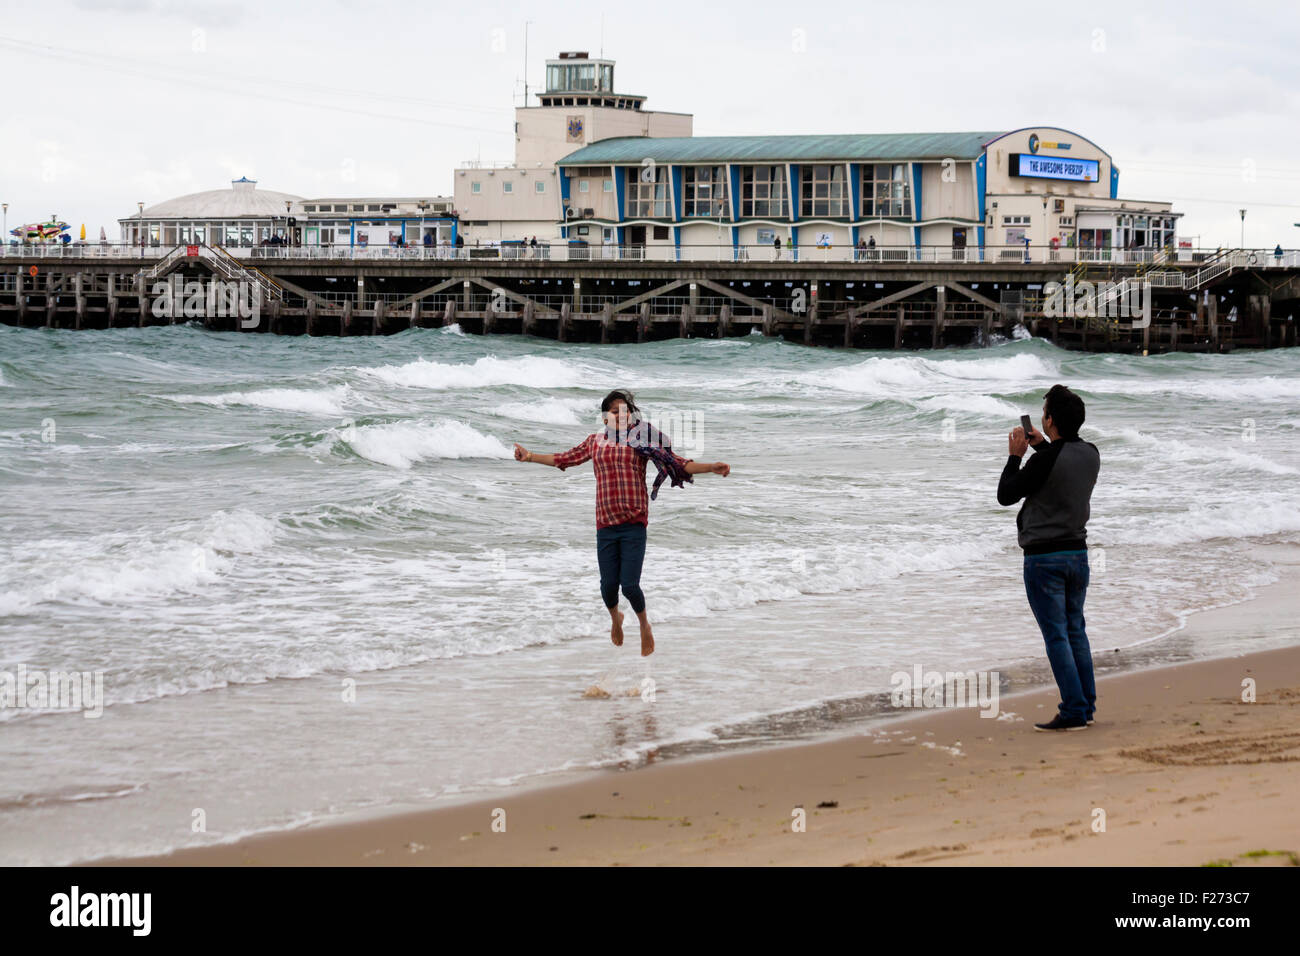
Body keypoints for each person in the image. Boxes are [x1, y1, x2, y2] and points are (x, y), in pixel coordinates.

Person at [513, 389, 731, 657]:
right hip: (605, 523)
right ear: (605, 418)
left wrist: (710, 467)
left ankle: (644, 625)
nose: (622, 415)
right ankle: (616, 619)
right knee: (607, 587)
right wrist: (530, 456)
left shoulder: (642, 442)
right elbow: (563, 459)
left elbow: (678, 463)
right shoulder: (594, 441)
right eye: (615, 412)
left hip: (633, 522)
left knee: (629, 585)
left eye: (626, 411)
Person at [997, 385, 1101, 732]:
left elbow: (1006, 495)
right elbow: (1060, 462)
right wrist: (1040, 445)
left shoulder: (1046, 458)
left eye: (1045, 412)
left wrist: (1015, 455)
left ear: (1051, 420)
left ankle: (1072, 710)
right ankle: (1085, 706)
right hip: (1077, 554)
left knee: (1057, 636)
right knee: (1076, 632)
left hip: (1044, 559)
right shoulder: (1091, 453)